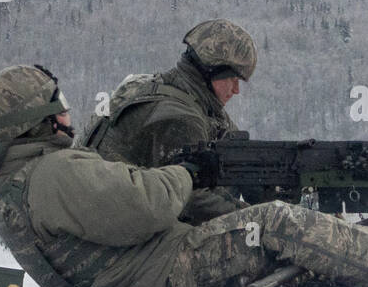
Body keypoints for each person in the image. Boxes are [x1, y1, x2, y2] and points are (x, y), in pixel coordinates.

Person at [0, 64, 368, 287]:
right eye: (59, 108)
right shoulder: (54, 173)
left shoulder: (23, 184)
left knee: (269, 235)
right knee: (272, 223)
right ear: (39, 121)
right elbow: (145, 206)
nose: (70, 116)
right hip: (163, 274)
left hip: (137, 278)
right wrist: (188, 174)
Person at [82, 19, 254, 224]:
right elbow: (190, 203)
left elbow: (230, 143)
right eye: (232, 80)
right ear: (211, 72)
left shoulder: (169, 88)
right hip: (110, 227)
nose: (236, 90)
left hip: (105, 210)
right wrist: (255, 216)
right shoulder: (179, 118)